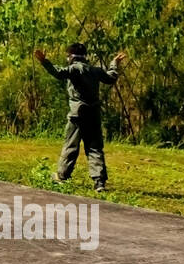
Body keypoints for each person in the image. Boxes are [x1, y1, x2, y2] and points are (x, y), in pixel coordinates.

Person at [34, 42, 126, 192]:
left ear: (71, 56)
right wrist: (114, 63)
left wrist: (44, 61)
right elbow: (111, 77)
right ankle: (99, 182)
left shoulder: (74, 69)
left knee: (71, 144)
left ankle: (62, 176)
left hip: (78, 113)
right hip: (94, 113)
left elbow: (58, 73)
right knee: (95, 147)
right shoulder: (95, 70)